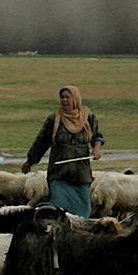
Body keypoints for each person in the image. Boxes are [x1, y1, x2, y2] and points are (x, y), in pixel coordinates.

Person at [23, 86, 103, 215]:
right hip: (59, 173)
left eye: (67, 97)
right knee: (59, 209)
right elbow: (41, 141)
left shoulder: (88, 117)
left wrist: (96, 149)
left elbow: (97, 137)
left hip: (80, 173)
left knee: (83, 210)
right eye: (62, 97)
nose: (64, 100)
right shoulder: (54, 119)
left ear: (75, 99)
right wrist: (30, 160)